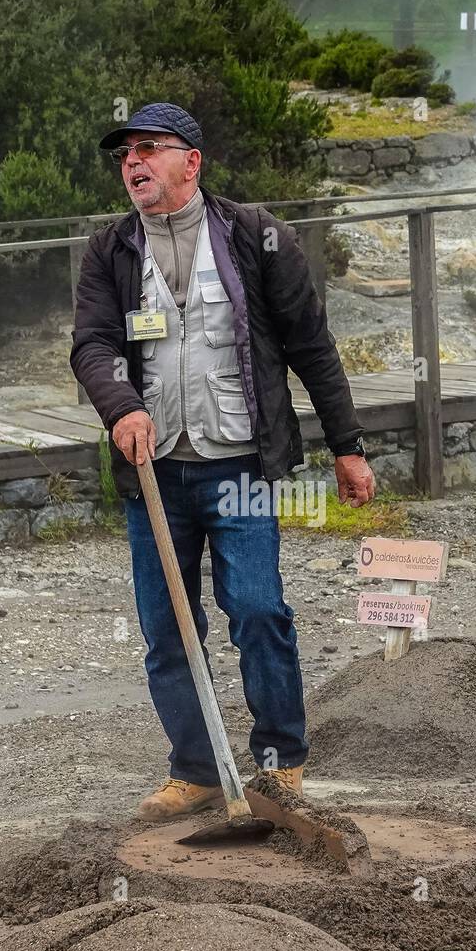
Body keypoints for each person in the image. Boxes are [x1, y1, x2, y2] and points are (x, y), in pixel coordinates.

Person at [71, 102, 375, 821]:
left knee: (259, 610)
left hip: (240, 466)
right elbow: (92, 345)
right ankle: (198, 770)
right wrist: (122, 405)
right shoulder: (110, 249)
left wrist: (348, 448)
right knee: (167, 626)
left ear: (191, 161)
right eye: (124, 155)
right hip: (156, 475)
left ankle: (280, 767)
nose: (133, 164)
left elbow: (311, 347)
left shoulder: (256, 236)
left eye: (148, 149)